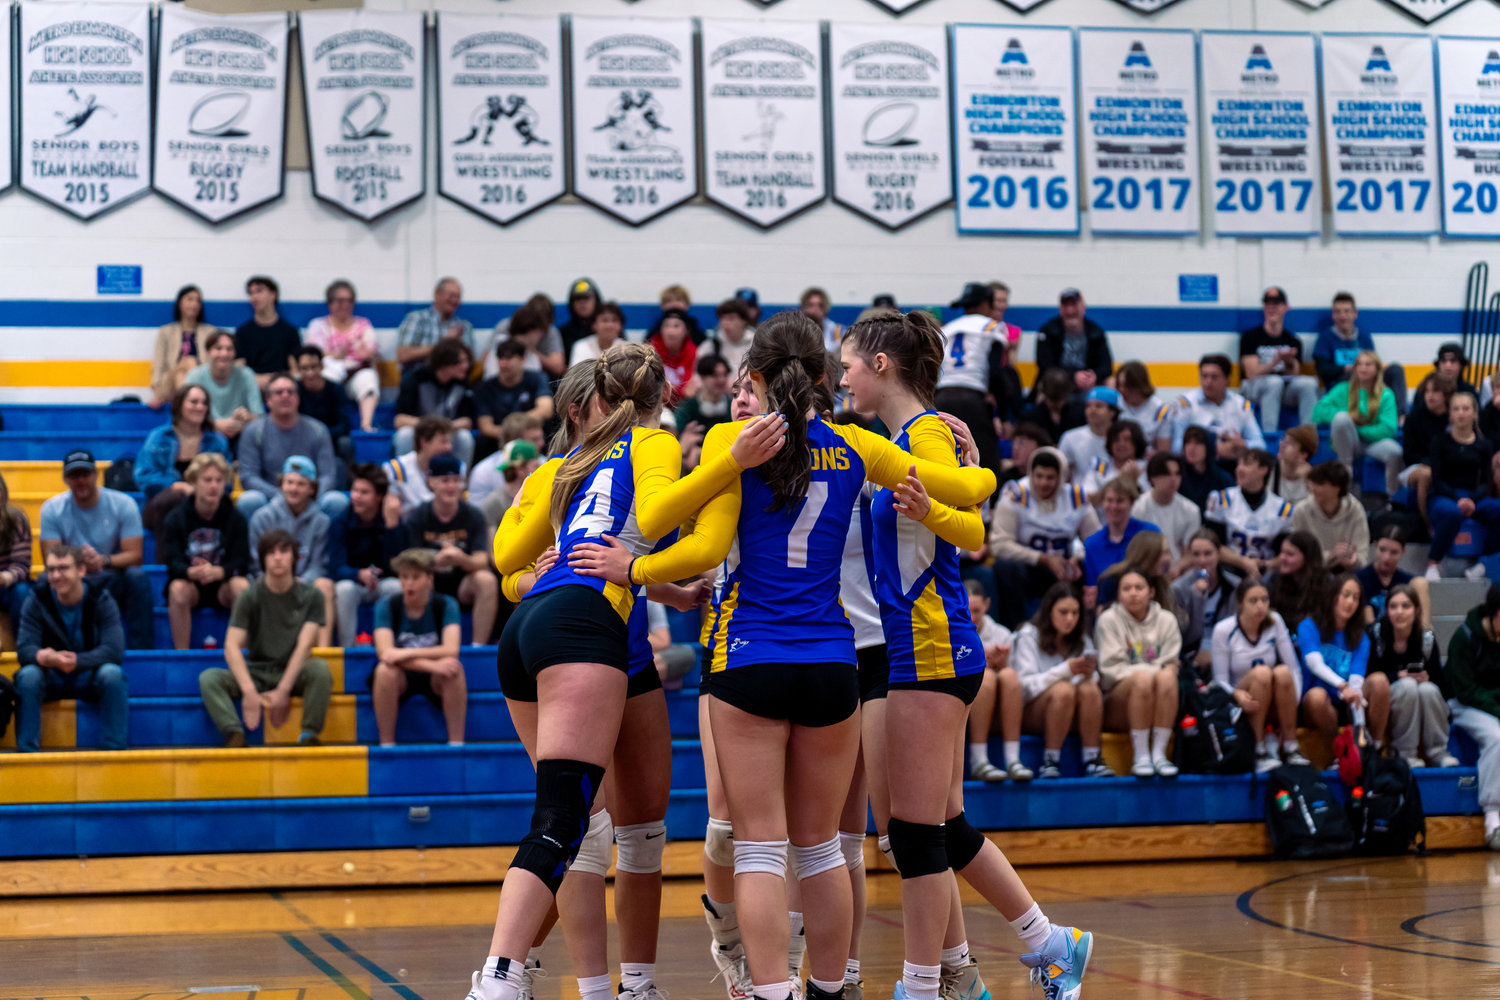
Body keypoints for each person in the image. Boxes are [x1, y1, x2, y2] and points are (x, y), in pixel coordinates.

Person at [564, 329, 1082, 1000]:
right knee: (824, 850)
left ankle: (775, 988)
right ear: (819, 377)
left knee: (756, 848)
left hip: (751, 657)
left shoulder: (735, 446)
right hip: (836, 662)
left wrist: (635, 564)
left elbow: (684, 530)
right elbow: (971, 493)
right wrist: (974, 461)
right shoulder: (860, 447)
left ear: (759, 377)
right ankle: (838, 988)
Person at [198, 529, 331, 747]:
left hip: (293, 671)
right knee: (209, 678)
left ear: (295, 557)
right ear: (262, 559)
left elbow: (304, 645)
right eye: (271, 552)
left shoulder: (312, 596)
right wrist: (249, 692)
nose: (277, 557)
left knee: (320, 670)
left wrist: (283, 690)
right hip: (256, 670)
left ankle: (308, 735)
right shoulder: (249, 596)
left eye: (283, 551)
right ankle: (234, 733)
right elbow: (231, 646)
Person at [14, 544, 128, 752]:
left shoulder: (101, 598)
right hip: (51, 674)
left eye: (63, 568)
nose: (56, 576)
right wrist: (43, 657)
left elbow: (114, 650)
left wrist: (78, 661)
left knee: (113, 674)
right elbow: (24, 649)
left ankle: (114, 750)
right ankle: (26, 752)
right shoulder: (37, 599)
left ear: (81, 570)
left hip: (88, 675)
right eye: (51, 570)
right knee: (28, 675)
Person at [39, 450, 153, 650]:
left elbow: (135, 556)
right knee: (43, 580)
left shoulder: (123, 504)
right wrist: (79, 563)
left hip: (109, 576)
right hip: (72, 576)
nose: (81, 480)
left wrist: (103, 561)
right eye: (75, 475)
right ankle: (49, 649)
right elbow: (51, 557)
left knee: (137, 578)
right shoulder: (52, 508)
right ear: (66, 479)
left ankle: (141, 650)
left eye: (85, 474)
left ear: (95, 475)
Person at [988, 448, 1100, 628]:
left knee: (1094, 567)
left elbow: (1096, 541)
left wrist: (1078, 558)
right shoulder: (1015, 494)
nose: (1043, 483)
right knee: (1006, 568)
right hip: (1029, 567)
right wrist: (1044, 559)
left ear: (1062, 477)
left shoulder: (1075, 497)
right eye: (1038, 476)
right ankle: (1017, 628)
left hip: (1065, 567)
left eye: (1050, 477)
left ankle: (1086, 631)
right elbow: (999, 545)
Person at [371, 547, 466, 746]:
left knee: (453, 667)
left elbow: (451, 650)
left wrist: (403, 653)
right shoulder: (386, 606)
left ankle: (456, 744)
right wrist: (431, 665)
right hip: (404, 674)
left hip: (435, 677)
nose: (408, 583)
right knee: (384, 671)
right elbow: (386, 654)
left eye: (415, 577)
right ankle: (386, 744)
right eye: (404, 577)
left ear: (429, 579)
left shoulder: (446, 604)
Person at [1012, 583, 1108, 779]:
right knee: (1063, 690)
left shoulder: (1082, 639)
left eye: (1075, 612)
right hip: (1032, 711)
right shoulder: (1028, 635)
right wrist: (1065, 670)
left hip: (1072, 710)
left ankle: (1092, 759)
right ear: (1049, 611)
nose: (1070, 619)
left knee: (1090, 689)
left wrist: (1089, 674)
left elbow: (1091, 682)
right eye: (1063, 612)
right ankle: (1050, 761)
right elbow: (1023, 688)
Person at [403, 452, 498, 645]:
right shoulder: (417, 516)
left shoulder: (473, 515)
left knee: (486, 579)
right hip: (430, 581)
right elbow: (409, 561)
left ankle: (478, 646)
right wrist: (436, 560)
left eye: (456, 481)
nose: (451, 486)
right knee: (416, 579)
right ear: (431, 482)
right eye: (445, 480)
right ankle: (424, 642)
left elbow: (482, 560)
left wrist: (459, 558)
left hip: (462, 583)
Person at [1097, 567, 1182, 777]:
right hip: (1116, 698)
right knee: (1144, 679)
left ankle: (1160, 755)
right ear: (1118, 594)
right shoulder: (1108, 620)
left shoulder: (1167, 620)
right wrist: (1155, 670)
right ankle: (1141, 756)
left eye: (1139, 587)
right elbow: (1111, 671)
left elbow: (1172, 664)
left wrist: (1161, 672)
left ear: (1151, 592)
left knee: (1168, 678)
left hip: (1157, 693)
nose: (1133, 593)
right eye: (1126, 588)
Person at [1210, 578, 1301, 772]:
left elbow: (1294, 668)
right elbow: (1220, 680)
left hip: (1272, 701)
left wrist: (1295, 703)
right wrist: (1235, 694)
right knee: (1262, 674)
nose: (1260, 606)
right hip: (1240, 702)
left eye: (1264, 600)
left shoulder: (1275, 621)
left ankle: (1292, 748)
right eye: (1253, 601)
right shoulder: (1223, 630)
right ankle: (1258, 750)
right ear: (1240, 603)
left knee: (1283, 673)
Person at [162, 454, 251, 650]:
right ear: (194, 482)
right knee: (177, 588)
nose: (214, 486)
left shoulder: (236, 518)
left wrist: (220, 572)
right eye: (207, 480)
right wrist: (190, 572)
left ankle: (239, 653)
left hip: (222, 585)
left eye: (219, 480)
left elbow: (242, 562)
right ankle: (182, 655)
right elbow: (172, 562)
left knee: (242, 586)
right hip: (192, 584)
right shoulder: (176, 518)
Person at [247, 456, 335, 647]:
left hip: (306, 584)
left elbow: (320, 564)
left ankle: (325, 656)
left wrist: (299, 583)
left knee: (325, 586)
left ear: (312, 488)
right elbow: (256, 564)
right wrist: (282, 582)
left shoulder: (321, 522)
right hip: (270, 582)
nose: (293, 489)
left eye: (301, 484)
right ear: (281, 484)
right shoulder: (262, 518)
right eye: (289, 482)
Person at [235, 372, 346, 521]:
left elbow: (328, 475)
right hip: (271, 498)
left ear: (298, 398)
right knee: (249, 500)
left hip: (310, 498)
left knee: (336, 501)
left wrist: (306, 495)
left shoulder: (319, 430)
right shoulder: (253, 431)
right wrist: (282, 496)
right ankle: (259, 545)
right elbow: (248, 477)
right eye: (279, 392)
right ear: (268, 400)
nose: (285, 396)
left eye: (290, 392)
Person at [1368, 585, 1457, 769]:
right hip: (1385, 700)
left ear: (1417, 610)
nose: (1399, 612)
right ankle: (1404, 753)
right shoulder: (1375, 635)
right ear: (1386, 610)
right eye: (1393, 606)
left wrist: (1427, 679)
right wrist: (1396, 677)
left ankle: (1438, 752)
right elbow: (1368, 678)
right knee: (1407, 685)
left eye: (1405, 606)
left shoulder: (1427, 639)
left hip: (1421, 700)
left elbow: (1441, 684)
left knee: (1429, 690)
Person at [936, 281, 1014, 479]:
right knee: (983, 458)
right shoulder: (992, 327)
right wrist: (1003, 416)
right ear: (987, 304)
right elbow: (996, 372)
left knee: (945, 457)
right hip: (972, 398)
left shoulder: (948, 329)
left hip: (942, 396)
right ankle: (986, 507)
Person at [137, 383, 232, 543]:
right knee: (171, 500)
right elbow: (144, 477)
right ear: (180, 405)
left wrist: (204, 491)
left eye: (204, 403)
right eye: (194, 402)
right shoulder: (158, 438)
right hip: (162, 506)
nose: (200, 407)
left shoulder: (217, 441)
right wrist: (177, 486)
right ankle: (166, 565)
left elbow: (227, 480)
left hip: (206, 504)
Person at [1443, 583, 1500, 849]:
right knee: (1497, 737)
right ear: (1493, 613)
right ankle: (1492, 817)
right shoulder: (1463, 637)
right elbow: (1465, 691)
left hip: (1493, 704)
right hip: (1464, 705)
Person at [330, 464, 407, 648]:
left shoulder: (393, 522)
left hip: (382, 583)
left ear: (379, 497)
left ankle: (391, 647)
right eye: (354, 490)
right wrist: (358, 574)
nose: (356, 496)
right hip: (354, 584)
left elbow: (398, 566)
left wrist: (391, 527)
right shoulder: (340, 522)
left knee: (396, 587)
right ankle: (347, 649)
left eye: (364, 492)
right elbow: (335, 567)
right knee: (344, 589)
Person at [1426, 391, 1500, 581]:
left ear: (1474, 413)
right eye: (1456, 409)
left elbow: (1486, 482)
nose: (1461, 413)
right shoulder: (1439, 441)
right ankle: (1433, 564)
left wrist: (1471, 500)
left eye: (1466, 408)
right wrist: (1459, 500)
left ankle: (1483, 564)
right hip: (1443, 496)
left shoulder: (1484, 445)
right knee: (1452, 512)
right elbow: (1437, 479)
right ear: (1450, 414)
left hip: (1473, 497)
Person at [961, 580, 1028, 782]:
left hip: (998, 709)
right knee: (987, 676)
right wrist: (979, 665)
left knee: (1009, 675)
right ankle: (979, 760)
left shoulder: (1002, 634)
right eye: (966, 610)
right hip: (963, 705)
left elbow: (1021, 684)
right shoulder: (949, 633)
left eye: (977, 611)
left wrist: (1003, 664)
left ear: (987, 605)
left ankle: (1012, 759)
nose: (971, 618)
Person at [1298, 574, 1375, 748]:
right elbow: (1314, 663)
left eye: (1355, 598)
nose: (1350, 602)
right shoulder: (1309, 626)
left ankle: (1371, 750)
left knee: (1379, 682)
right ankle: (1338, 751)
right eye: (1346, 595)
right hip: (1314, 705)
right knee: (1317, 696)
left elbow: (1356, 680)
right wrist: (1342, 686)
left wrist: (1359, 725)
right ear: (1333, 596)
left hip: (1345, 704)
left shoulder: (1361, 638)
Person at [1313, 350, 1401, 497]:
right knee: (1341, 418)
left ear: (1377, 369)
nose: (1363, 368)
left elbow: (1388, 428)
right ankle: (1345, 472)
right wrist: (1349, 419)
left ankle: (1393, 498)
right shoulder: (1342, 389)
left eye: (1368, 364)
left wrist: (1358, 429)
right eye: (1359, 364)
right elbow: (1318, 412)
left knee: (1395, 451)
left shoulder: (1386, 394)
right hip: (1346, 444)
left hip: (1373, 443)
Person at [1238, 286, 1319, 434]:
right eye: (1268, 304)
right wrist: (1275, 362)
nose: (1272, 308)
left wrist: (1289, 361)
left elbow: (1294, 373)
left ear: (1286, 307)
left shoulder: (1292, 340)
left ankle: (1308, 437)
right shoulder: (1250, 337)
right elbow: (1251, 373)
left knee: (1309, 383)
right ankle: (1269, 438)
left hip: (1281, 389)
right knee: (1274, 382)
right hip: (1255, 388)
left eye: (1276, 304)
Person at [303, 278, 380, 432]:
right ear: (330, 303)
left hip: (354, 373)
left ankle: (366, 424)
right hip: (328, 372)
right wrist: (335, 355)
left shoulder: (363, 324)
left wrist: (364, 355)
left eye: (349, 301)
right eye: (339, 301)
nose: (344, 305)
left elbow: (370, 351)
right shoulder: (318, 325)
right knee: (321, 376)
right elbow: (312, 352)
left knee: (368, 377)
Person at [1205, 449, 1294, 579]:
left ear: (1263, 469)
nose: (1239, 469)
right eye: (1238, 464)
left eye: (1246, 464)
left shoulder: (1283, 508)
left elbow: (1286, 553)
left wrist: (1268, 564)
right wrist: (1243, 562)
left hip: (1267, 576)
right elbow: (1212, 545)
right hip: (1227, 574)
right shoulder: (1222, 499)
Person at [1314, 292, 1408, 415]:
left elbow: (1374, 362)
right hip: (1342, 385)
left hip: (1368, 381)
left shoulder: (1364, 338)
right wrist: (1345, 369)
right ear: (1333, 315)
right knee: (1352, 374)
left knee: (1395, 370)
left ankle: (1398, 415)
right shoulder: (1325, 338)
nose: (1342, 316)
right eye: (1338, 312)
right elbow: (1322, 370)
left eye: (1347, 311)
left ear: (1355, 314)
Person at [393, 338, 477, 466]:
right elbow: (400, 420)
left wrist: (445, 427)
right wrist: (431, 426)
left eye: (466, 361)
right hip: (421, 431)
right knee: (404, 435)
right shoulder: (415, 379)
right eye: (460, 362)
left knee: (465, 438)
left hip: (449, 431)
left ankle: (461, 480)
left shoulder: (463, 383)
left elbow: (467, 421)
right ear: (444, 363)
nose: (466, 366)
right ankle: (404, 480)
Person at [1173, 354, 1265, 461]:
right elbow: (1176, 447)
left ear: (1227, 379)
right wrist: (1214, 449)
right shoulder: (1186, 404)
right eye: (1204, 376)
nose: (1208, 382)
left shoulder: (1241, 404)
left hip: (1232, 465)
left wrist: (1242, 444)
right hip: (1197, 467)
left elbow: (1260, 445)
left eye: (1214, 377)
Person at [1172, 528, 1242, 666]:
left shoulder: (1235, 586)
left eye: (1208, 553)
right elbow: (1185, 637)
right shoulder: (1178, 589)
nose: (1202, 560)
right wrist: (1197, 597)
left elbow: (1235, 629)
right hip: (1192, 653)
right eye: (1196, 554)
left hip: (1228, 649)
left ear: (1219, 554)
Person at [1082, 477, 1158, 598]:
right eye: (1109, 500)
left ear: (1132, 503)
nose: (1114, 506)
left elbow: (1159, 574)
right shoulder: (1092, 544)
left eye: (1120, 501)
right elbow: (1093, 586)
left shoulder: (1149, 533)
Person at [185, 330, 263, 443]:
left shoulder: (247, 375)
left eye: (229, 349)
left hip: (241, 438)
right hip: (204, 436)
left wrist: (246, 419)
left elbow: (259, 417)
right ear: (208, 352)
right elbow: (185, 416)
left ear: (235, 353)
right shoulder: (194, 376)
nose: (224, 354)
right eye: (218, 348)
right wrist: (214, 425)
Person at [1292, 461, 1370, 572]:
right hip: (1310, 573)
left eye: (1320, 484)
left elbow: (1362, 557)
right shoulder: (1301, 510)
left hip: (1347, 573)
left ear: (1337, 487)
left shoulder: (1356, 510)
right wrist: (1331, 555)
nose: (1314, 488)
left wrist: (1351, 558)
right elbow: (1297, 555)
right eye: (1313, 483)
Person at [477, 341, 554, 450]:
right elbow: (486, 427)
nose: (503, 363)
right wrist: (513, 436)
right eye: (500, 358)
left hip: (533, 441)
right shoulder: (486, 387)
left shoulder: (537, 379)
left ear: (522, 359)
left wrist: (515, 427)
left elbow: (546, 409)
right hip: (500, 443)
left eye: (508, 358)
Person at [295, 345, 354, 485]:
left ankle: (348, 484)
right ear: (298, 369)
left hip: (331, 439)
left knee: (345, 443)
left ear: (321, 366)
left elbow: (345, 424)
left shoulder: (336, 389)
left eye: (313, 367)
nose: (309, 373)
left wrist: (321, 434)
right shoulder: (293, 391)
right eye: (304, 368)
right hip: (300, 440)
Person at [1133, 452, 1201, 571]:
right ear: (1152, 478)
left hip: (1178, 571)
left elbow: (1191, 552)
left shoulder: (1192, 510)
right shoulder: (1137, 507)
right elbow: (1135, 549)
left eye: (1177, 474)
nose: (1173, 480)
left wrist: (1177, 568)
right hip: (1144, 568)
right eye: (1167, 474)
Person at [1036, 287, 1112, 392]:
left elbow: (1106, 366)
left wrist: (1094, 376)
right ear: (1060, 309)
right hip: (1059, 382)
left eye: (1074, 305)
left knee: (1111, 382)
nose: (1070, 310)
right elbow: (1045, 365)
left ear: (1083, 308)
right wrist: (1072, 376)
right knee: (1046, 382)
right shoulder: (1048, 331)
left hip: (1088, 383)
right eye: (1066, 306)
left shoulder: (1096, 332)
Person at [385, 415, 465, 515]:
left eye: (450, 442)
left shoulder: (457, 467)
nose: (448, 447)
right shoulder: (396, 469)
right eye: (443, 442)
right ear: (424, 442)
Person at [150, 284, 214, 408]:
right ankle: (190, 403)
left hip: (202, 382)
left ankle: (185, 405)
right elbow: (158, 364)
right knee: (187, 362)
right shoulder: (166, 332)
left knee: (187, 370)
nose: (194, 304)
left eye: (198, 301)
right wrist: (156, 394)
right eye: (190, 299)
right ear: (180, 303)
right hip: (170, 385)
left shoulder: (209, 332)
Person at [1403, 373, 1454, 527]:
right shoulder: (1413, 418)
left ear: (1446, 394)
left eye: (1435, 391)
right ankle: (1427, 526)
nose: (1430, 396)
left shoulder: (1455, 418)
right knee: (1427, 474)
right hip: (1418, 467)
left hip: (1448, 465)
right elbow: (1409, 456)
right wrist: (1434, 463)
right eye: (1427, 391)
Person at [235, 275, 302, 389]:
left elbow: (295, 370)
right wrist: (256, 380)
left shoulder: (290, 332)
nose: (254, 297)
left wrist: (278, 381)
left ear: (273, 295)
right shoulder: (243, 332)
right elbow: (239, 368)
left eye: (259, 291)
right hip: (253, 385)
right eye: (251, 293)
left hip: (282, 386)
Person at [397, 277, 474, 373]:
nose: (455, 300)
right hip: (419, 376)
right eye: (451, 295)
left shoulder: (464, 326)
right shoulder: (417, 319)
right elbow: (404, 355)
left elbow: (469, 362)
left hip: (452, 378)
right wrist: (444, 343)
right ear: (437, 294)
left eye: (458, 297)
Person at [1359, 526, 1431, 628]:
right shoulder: (1359, 578)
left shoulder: (1409, 582)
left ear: (1403, 552)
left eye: (1394, 552)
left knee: (1420, 583)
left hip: (1402, 634)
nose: (1386, 557)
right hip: (1369, 636)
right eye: (1382, 550)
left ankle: (1425, 638)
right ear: (1375, 546)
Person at [485, 296, 566, 381]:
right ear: (530, 331)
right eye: (539, 332)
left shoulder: (532, 355)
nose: (541, 336)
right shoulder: (499, 348)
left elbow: (538, 382)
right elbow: (492, 379)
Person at [1264, 531, 1329, 631]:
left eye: (1289, 554)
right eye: (1282, 552)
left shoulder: (1326, 584)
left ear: (1307, 558)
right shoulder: (1274, 581)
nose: (1282, 558)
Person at [1059, 386, 1119, 483]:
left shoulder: (1122, 439)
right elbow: (1062, 473)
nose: (1092, 410)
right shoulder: (1070, 437)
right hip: (1080, 495)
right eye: (1088, 406)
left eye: (1099, 406)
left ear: (1112, 412)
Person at [1081, 419, 1148, 504]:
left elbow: (1150, 504)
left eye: (1127, 439)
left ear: (1136, 443)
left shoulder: (1146, 468)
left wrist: (1134, 484)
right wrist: (1119, 480)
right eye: (1116, 440)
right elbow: (1088, 500)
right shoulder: (1100, 466)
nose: (1121, 444)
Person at [0, 470, 34, 632]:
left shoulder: (16, 520)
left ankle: (25, 648)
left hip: (7, 585)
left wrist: (6, 577)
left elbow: (22, 565)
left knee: (22, 591)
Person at [1115, 361, 1173, 453]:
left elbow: (1164, 450)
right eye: (1119, 385)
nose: (1121, 390)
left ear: (1139, 385)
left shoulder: (1161, 411)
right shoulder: (1116, 404)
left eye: (1126, 386)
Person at [675, 354, 733, 446]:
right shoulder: (687, 408)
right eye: (715, 375)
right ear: (702, 377)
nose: (721, 380)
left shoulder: (733, 405)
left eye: (725, 374)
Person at [1020, 368, 1086, 445]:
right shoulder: (1030, 417)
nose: (1055, 405)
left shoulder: (1079, 414)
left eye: (1059, 399)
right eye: (1052, 399)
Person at [1178, 425, 1234, 511]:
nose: (1191, 448)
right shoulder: (1177, 476)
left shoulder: (1223, 480)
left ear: (1209, 447)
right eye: (1188, 442)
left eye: (1198, 443)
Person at [649, 308, 698, 399]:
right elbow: (649, 388)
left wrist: (666, 391)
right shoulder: (649, 351)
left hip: (684, 405)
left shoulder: (695, 353)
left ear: (687, 331)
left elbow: (690, 391)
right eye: (666, 326)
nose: (670, 331)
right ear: (661, 330)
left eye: (676, 326)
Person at [1270, 424, 1317, 506]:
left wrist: (1306, 480)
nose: (1282, 445)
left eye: (1290, 443)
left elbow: (1316, 511)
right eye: (1283, 440)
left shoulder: (1313, 478)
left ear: (1303, 454)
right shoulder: (1270, 471)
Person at [568, 300, 626, 367]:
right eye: (605, 320)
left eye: (614, 320)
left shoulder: (626, 349)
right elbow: (576, 375)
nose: (610, 325)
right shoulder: (581, 346)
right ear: (594, 325)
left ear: (621, 326)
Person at [708, 297, 756, 374]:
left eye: (731, 318)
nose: (725, 323)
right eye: (723, 318)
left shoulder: (756, 344)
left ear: (744, 321)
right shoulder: (712, 344)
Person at [800, 286, 841, 352]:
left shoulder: (837, 331)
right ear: (803, 308)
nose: (815, 309)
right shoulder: (794, 330)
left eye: (820, 306)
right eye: (811, 305)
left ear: (826, 309)